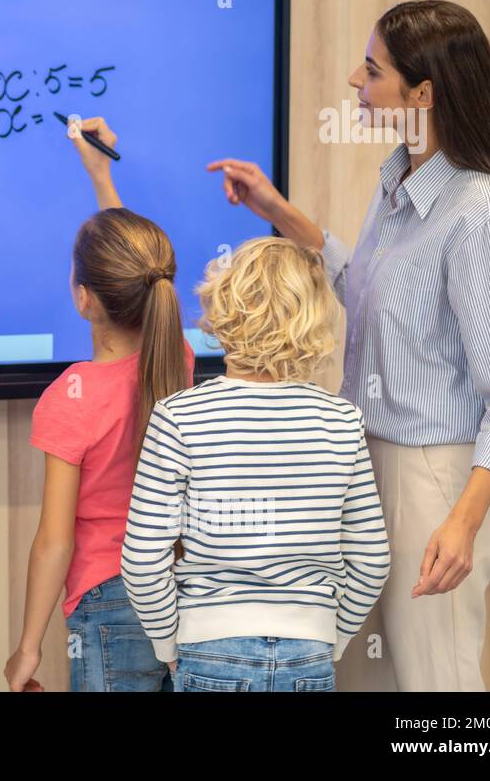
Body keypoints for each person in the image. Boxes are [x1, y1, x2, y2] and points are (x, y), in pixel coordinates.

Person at [207, 0, 490, 690]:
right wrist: (276, 211)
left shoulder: (483, 214)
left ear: (422, 93)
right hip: (366, 465)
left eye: (371, 70)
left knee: (435, 686)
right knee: (370, 680)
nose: (352, 81)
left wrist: (462, 522)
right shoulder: (398, 179)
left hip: (437, 480)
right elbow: (363, 288)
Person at [122, 237, 391, 692]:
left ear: (222, 308)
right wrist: (332, 635)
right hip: (308, 652)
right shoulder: (342, 421)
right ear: (313, 319)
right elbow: (372, 559)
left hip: (209, 648)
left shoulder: (178, 417)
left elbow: (143, 561)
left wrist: (170, 643)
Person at [5, 117, 193, 692]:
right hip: (182, 593)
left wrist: (28, 648)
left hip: (109, 605)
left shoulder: (70, 397)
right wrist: (101, 178)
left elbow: (55, 539)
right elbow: (143, 274)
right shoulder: (177, 359)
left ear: (83, 298)